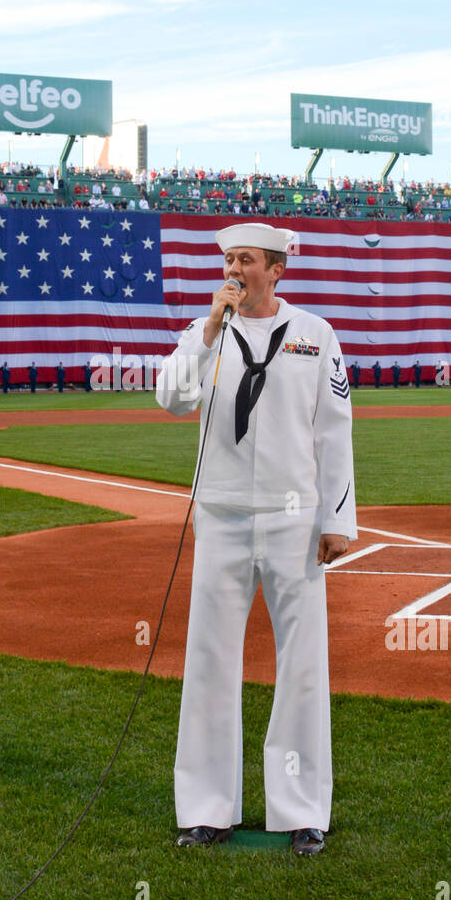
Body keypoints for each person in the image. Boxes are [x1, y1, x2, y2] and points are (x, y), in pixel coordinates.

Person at [155, 221, 356, 857]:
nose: (235, 269)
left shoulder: (316, 335)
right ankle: (207, 810)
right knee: (209, 658)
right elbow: (171, 399)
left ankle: (302, 813)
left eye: (246, 260)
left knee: (302, 663)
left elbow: (333, 430)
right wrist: (210, 328)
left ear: (276, 269)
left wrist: (337, 518)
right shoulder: (205, 332)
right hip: (221, 515)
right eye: (229, 260)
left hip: (294, 520)